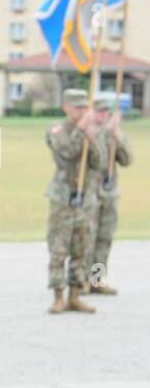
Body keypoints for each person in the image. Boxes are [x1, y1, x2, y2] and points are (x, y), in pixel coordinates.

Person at [44, 88, 103, 314]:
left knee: (82, 247)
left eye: (84, 107)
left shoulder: (89, 131)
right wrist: (80, 130)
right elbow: (67, 152)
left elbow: (100, 162)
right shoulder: (57, 130)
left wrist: (92, 138)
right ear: (66, 107)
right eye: (77, 107)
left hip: (85, 199)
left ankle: (75, 295)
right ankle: (58, 295)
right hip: (63, 198)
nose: (82, 111)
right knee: (59, 248)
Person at [87, 91, 131, 295]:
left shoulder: (112, 133)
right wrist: (104, 133)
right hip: (89, 194)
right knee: (86, 239)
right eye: (98, 111)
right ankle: (80, 280)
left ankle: (97, 280)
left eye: (105, 111)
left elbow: (127, 160)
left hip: (109, 193)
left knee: (104, 239)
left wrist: (118, 136)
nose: (102, 115)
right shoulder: (87, 132)